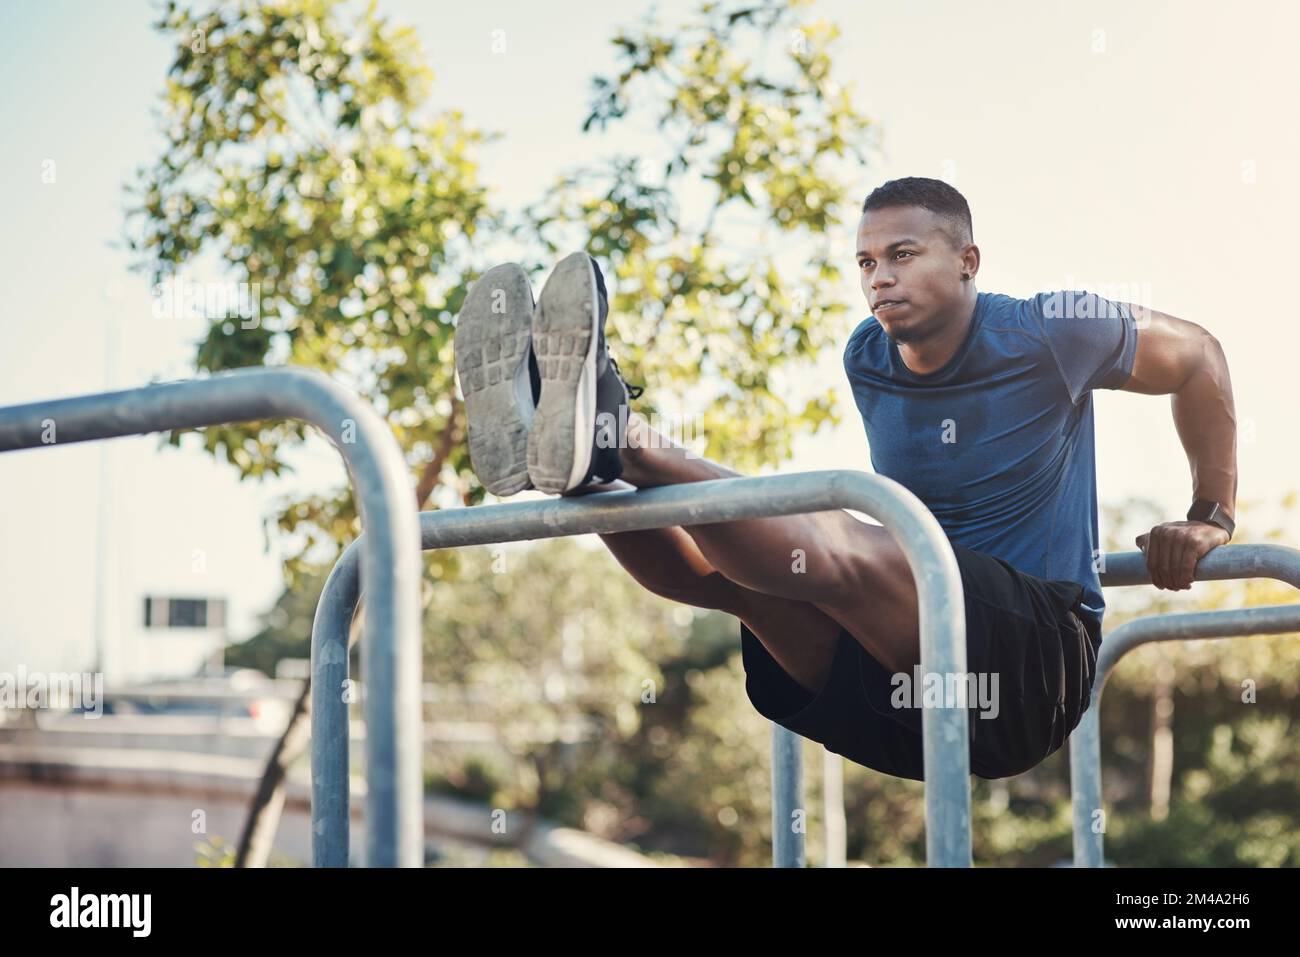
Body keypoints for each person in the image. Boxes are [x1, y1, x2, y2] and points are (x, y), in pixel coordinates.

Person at [452, 176, 1238, 781]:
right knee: (748, 586)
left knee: (847, 540)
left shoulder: (1052, 329)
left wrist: (1210, 512)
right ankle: (580, 471)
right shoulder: (867, 354)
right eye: (866, 261)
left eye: (902, 254)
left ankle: (614, 430)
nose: (878, 278)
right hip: (900, 693)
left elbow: (1198, 355)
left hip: (1031, 664)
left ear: (967, 261)